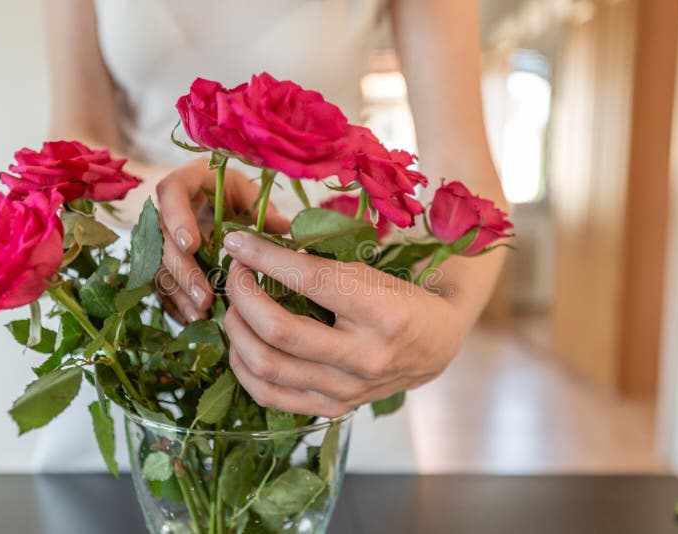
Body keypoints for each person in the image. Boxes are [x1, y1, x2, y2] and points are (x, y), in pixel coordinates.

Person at [39, 0, 507, 472]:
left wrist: (447, 321)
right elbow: (78, 136)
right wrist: (158, 204)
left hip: (333, 334)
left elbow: (466, 173)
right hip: (150, 307)